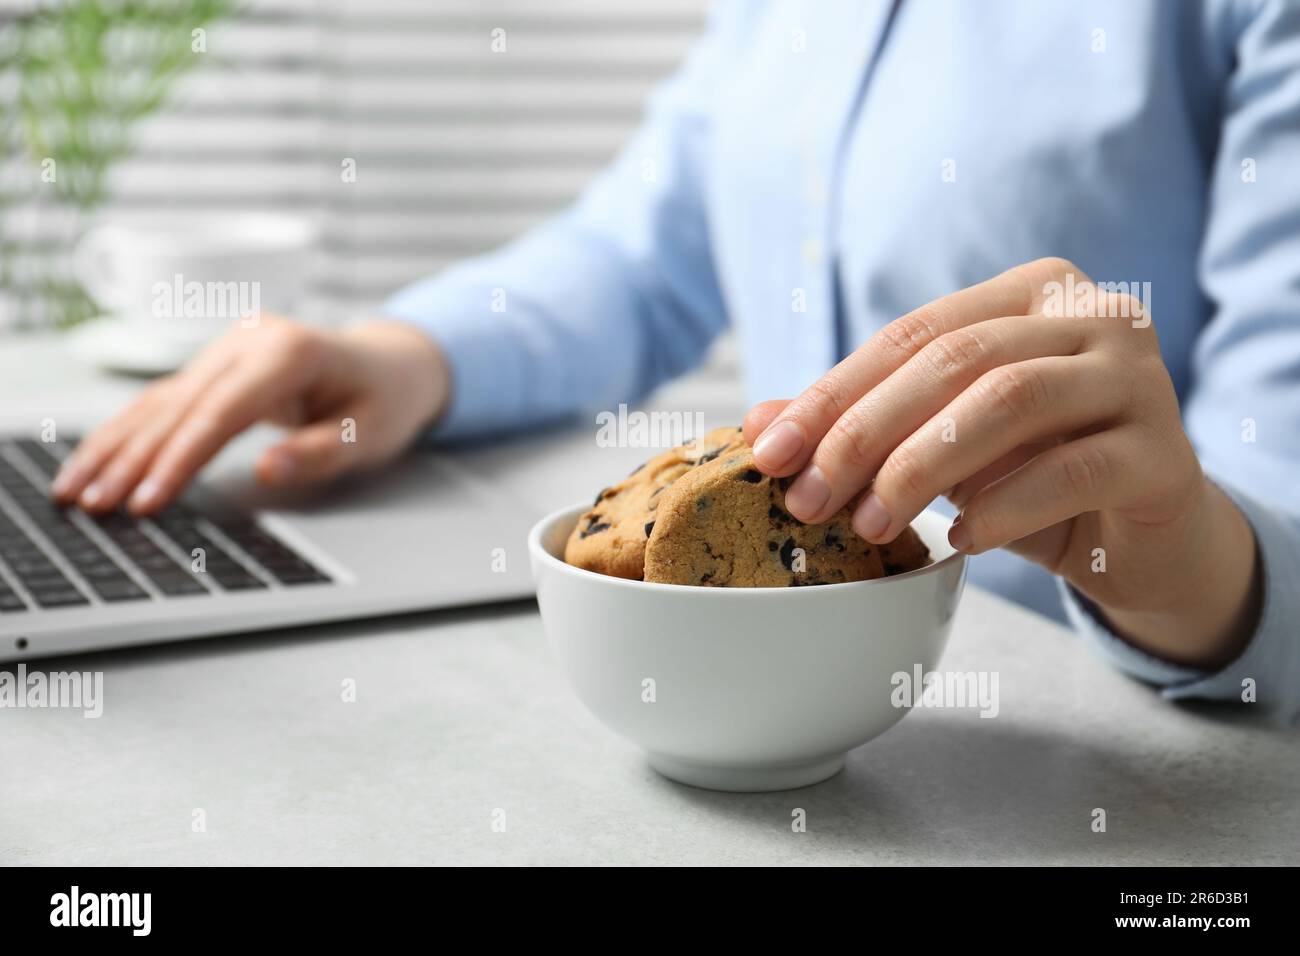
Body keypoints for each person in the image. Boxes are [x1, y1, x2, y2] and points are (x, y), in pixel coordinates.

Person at [50, 0, 1299, 720]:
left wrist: (1172, 558)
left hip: (1081, 735)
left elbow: (1277, 504)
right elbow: (641, 252)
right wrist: (404, 353)